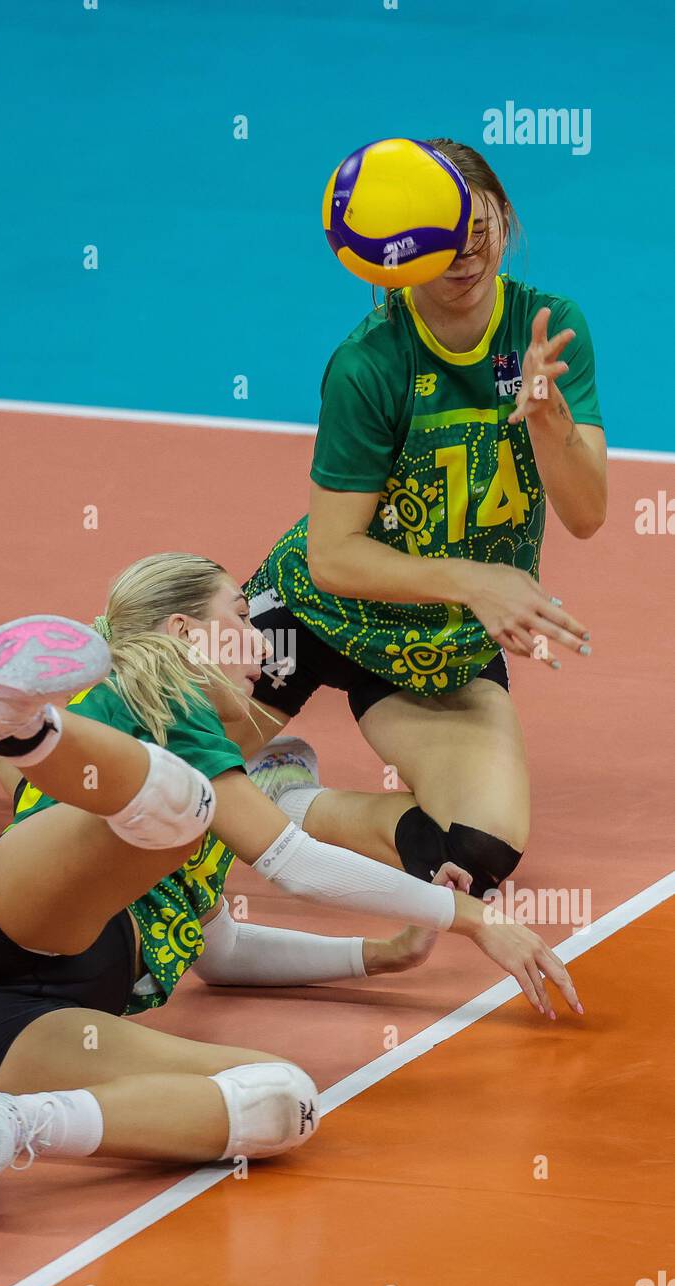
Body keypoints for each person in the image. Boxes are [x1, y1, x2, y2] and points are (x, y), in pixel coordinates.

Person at [0, 554, 579, 1187]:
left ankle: (4, 1127)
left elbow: (225, 951)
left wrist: (379, 958)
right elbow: (294, 863)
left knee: (284, 1099)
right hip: (22, 918)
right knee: (183, 805)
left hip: (12, 1032)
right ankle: (13, 727)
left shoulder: (199, 770)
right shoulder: (164, 698)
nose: (265, 644)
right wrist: (474, 918)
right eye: (241, 616)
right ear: (184, 634)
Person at [231, 137, 607, 967]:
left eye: (483, 227)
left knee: (473, 857)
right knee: (131, 779)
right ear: (403, 251)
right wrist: (477, 580)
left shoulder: (548, 327)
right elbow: (333, 555)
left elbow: (586, 515)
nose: (468, 252)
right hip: (316, 612)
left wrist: (549, 420)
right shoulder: (371, 365)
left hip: (436, 648)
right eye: (446, 235)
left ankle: (281, 799)